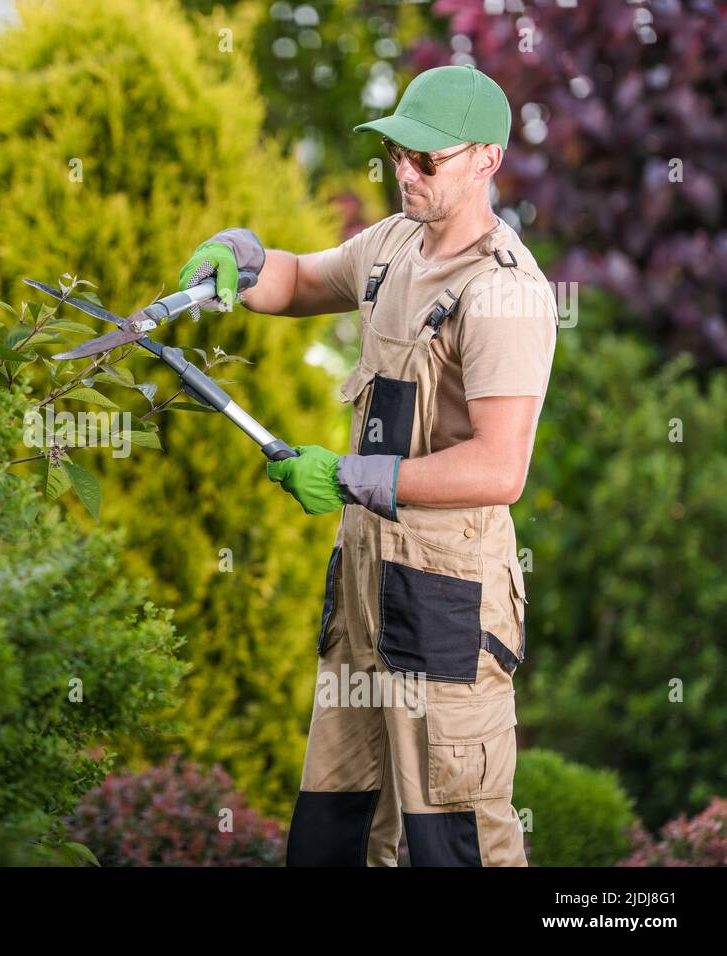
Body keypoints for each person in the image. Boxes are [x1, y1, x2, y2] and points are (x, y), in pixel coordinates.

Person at [178, 64, 558, 866]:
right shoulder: (392, 246)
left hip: (446, 610)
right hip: (361, 596)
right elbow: (301, 279)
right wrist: (240, 258)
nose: (406, 173)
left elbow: (500, 469)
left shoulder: (505, 294)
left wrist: (350, 477)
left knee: (451, 844)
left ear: (488, 158)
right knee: (336, 835)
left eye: (428, 160)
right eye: (397, 155)